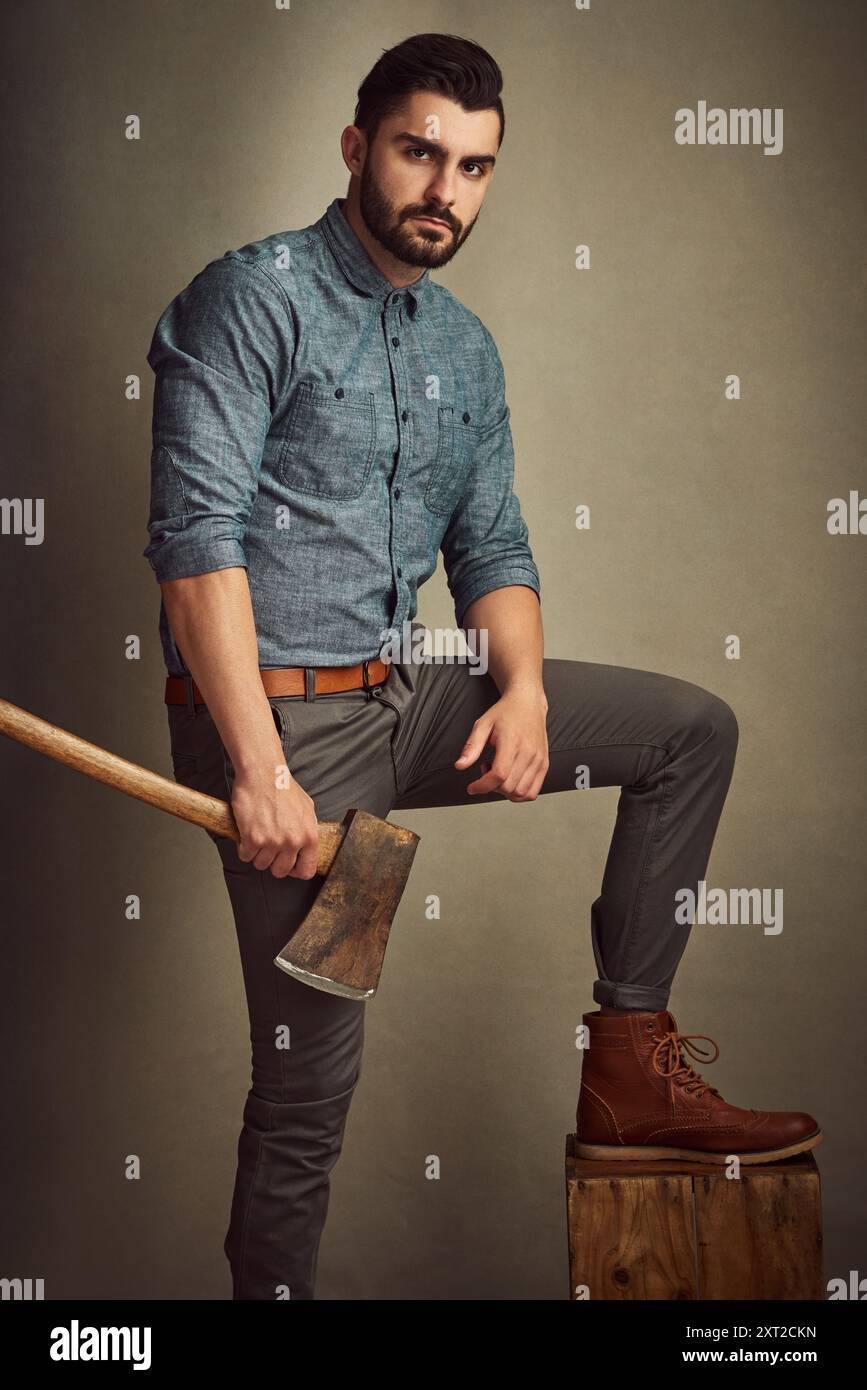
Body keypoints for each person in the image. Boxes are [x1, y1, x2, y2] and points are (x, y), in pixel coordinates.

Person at [144, 32, 821, 1300]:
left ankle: (628, 1057)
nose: (443, 189)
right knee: (310, 1088)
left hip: (408, 697)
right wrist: (260, 773)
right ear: (357, 148)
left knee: (692, 728)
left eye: (473, 165)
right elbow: (194, 551)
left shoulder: (464, 347)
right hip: (282, 729)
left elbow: (493, 544)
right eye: (418, 152)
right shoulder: (251, 299)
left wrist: (520, 691)